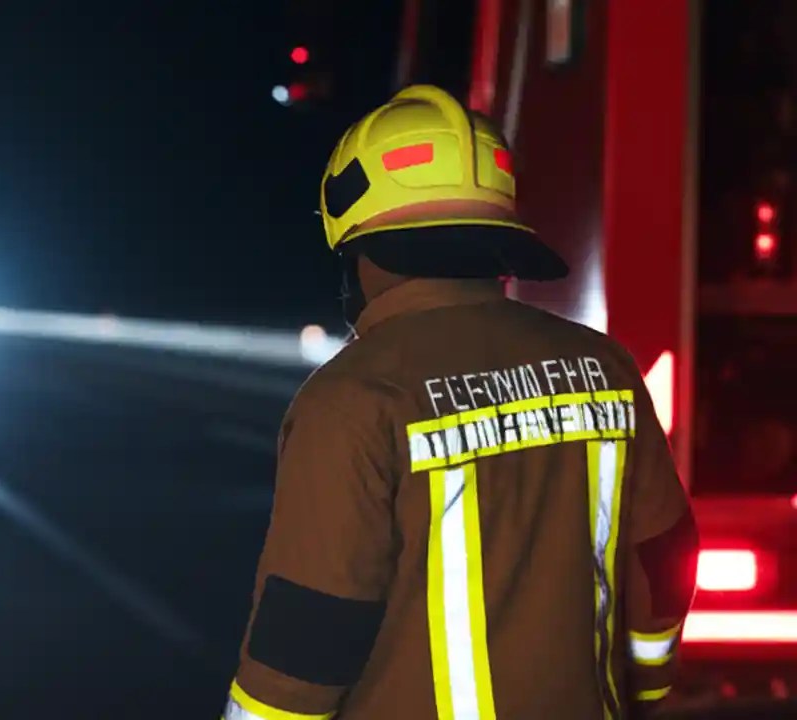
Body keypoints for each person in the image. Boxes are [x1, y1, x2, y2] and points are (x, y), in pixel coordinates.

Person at [222, 85, 699, 720]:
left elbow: (308, 638)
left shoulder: (353, 399)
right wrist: (647, 692)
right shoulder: (605, 367)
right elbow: (662, 562)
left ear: (356, 249)